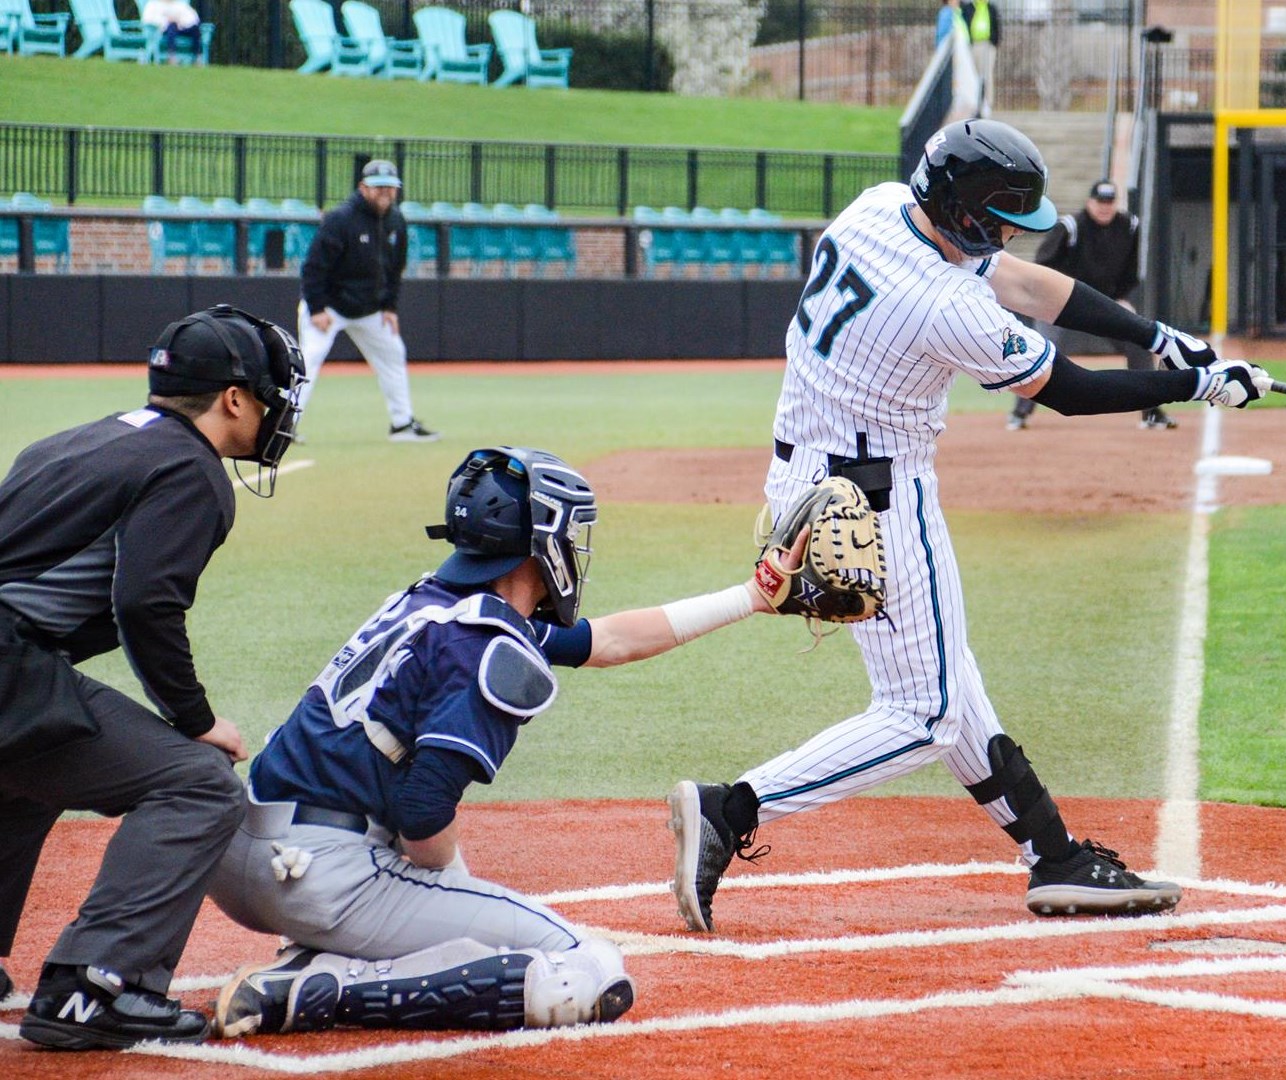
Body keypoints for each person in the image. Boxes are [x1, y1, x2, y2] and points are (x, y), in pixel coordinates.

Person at [668, 119, 1267, 934]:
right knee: (927, 712)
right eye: (1003, 218)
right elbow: (1067, 389)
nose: (1012, 233)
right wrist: (1194, 385)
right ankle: (733, 809)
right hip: (876, 499)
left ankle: (1053, 857)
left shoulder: (878, 207)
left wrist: (1153, 334)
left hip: (804, 479)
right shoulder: (944, 303)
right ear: (971, 214)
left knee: (946, 683)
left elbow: (1023, 282)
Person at [206, 446, 815, 1038]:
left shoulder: (430, 603)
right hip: (322, 878)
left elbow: (610, 642)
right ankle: (326, 990)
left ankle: (312, 963)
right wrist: (448, 895)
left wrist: (752, 597)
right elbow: (422, 816)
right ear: (539, 545)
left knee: (456, 905)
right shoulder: (488, 646)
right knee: (588, 968)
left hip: (242, 856)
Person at [0, 306, 306, 1050]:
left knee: (28, 765)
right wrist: (197, 719)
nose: (277, 410)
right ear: (234, 398)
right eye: (269, 394)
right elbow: (145, 603)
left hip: (16, 671)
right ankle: (94, 987)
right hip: (9, 667)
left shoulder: (89, 436)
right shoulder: (192, 471)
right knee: (198, 781)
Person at [1009, 180, 1171, 430]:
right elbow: (1042, 263)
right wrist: (1049, 297)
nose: (1104, 207)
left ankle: (1151, 413)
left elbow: (1131, 271)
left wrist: (1122, 298)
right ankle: (1020, 413)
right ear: (1089, 202)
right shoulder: (1071, 226)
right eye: (1100, 201)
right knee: (1040, 349)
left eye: (1109, 202)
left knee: (1139, 340)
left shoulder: (1129, 226)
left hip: (1102, 304)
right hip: (1059, 303)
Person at [298, 159, 437, 443]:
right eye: (378, 187)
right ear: (363, 188)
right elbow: (313, 266)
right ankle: (282, 428)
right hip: (330, 306)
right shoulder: (341, 219)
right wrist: (317, 308)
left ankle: (402, 425)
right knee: (307, 361)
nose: (385, 192)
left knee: (393, 355)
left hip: (370, 309)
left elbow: (394, 270)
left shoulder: (396, 220)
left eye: (390, 187)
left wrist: (390, 307)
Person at [959, 0, 1000, 116]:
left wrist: (993, 42)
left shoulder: (991, 8)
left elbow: (996, 26)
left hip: (987, 44)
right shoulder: (969, 7)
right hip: (973, 44)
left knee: (987, 75)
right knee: (972, 75)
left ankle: (987, 103)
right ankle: (974, 103)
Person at [140, 0, 202, 64]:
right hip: (162, 30)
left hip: (181, 27)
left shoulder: (180, 4)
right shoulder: (154, 4)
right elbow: (148, 19)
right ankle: (172, 57)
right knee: (172, 27)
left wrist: (180, 21)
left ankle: (197, 57)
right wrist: (168, 20)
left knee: (195, 29)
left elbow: (193, 18)